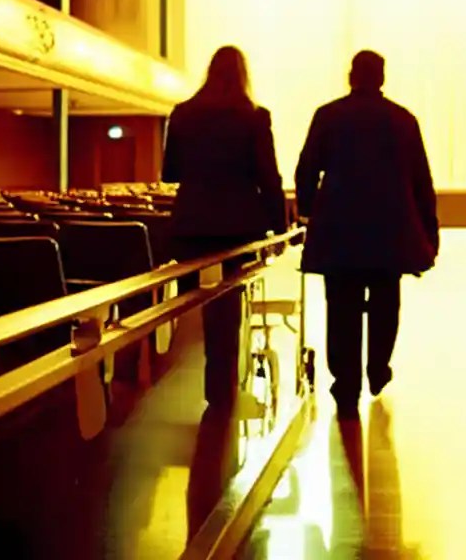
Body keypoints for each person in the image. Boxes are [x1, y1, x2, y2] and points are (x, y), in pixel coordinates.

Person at [295, 50, 438, 417]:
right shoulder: (403, 120)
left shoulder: (329, 116)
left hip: (339, 230)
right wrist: (429, 233)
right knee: (386, 302)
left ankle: (345, 381)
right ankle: (378, 368)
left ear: (351, 76)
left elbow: (307, 169)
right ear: (382, 78)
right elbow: (422, 182)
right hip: (390, 231)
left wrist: (310, 211)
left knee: (340, 306)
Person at [162, 46, 287, 409]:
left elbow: (170, 174)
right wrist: (277, 230)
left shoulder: (183, 114)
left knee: (198, 303)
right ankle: (222, 387)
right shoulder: (254, 117)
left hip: (192, 222)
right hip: (237, 224)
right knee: (229, 305)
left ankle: (187, 382)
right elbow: (269, 177)